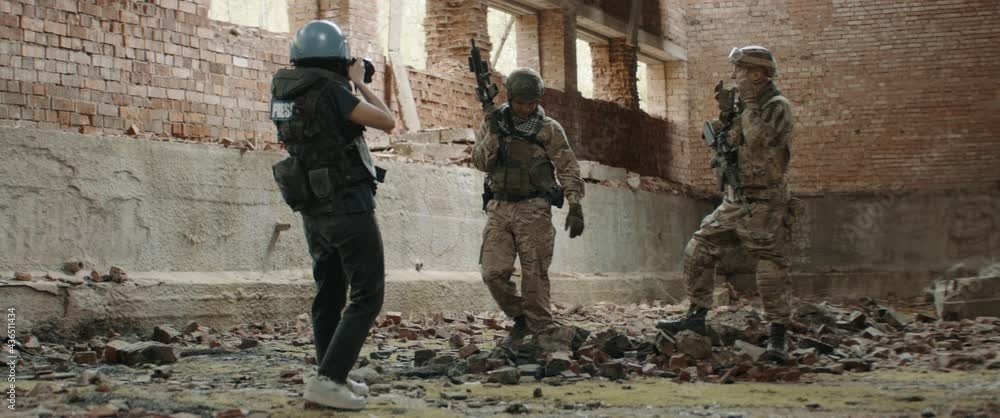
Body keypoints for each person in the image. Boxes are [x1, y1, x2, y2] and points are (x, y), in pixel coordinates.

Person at [268, 19, 394, 410]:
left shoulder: (285, 88)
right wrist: (359, 82)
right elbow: (387, 121)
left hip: (311, 203)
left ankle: (329, 373)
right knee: (367, 294)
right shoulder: (334, 91)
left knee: (329, 292)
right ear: (338, 57)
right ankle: (329, 378)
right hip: (346, 202)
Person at [656, 46, 796, 363]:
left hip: (765, 202)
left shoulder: (776, 107)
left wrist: (746, 107)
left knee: (771, 268)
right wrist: (724, 121)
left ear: (758, 74)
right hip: (735, 199)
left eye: (741, 70)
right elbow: (730, 146)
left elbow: (759, 142)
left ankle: (777, 338)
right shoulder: (742, 107)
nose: (735, 75)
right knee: (699, 249)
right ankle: (696, 316)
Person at [472, 67, 585, 348]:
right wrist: (493, 135)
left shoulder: (548, 128)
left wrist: (575, 203)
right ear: (510, 98)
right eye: (521, 103)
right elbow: (480, 163)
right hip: (499, 207)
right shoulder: (493, 121)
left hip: (534, 207)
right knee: (493, 272)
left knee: (534, 274)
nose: (526, 108)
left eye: (531, 103)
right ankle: (521, 318)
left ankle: (542, 329)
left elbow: (567, 166)